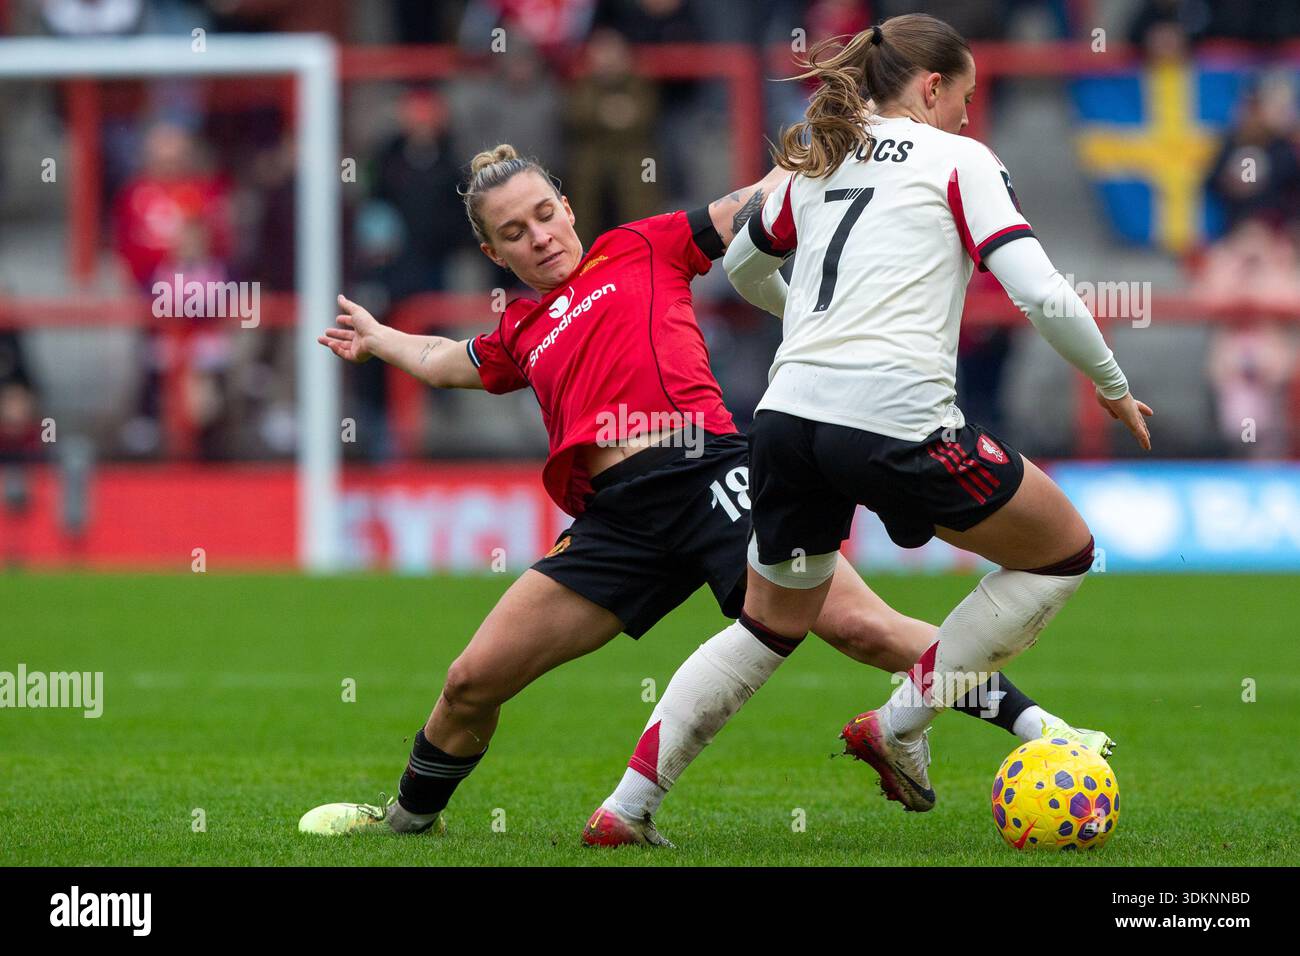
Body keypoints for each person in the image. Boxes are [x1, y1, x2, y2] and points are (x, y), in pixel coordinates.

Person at [301, 141, 1112, 846]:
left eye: (545, 214)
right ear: (492, 252)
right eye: (513, 232)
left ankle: (1054, 735)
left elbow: (752, 203)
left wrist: (835, 139)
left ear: (568, 206)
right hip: (618, 521)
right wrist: (380, 340)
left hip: (713, 474)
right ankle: (407, 822)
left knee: (863, 628)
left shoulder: (639, 246)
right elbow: (450, 359)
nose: (540, 236)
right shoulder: (522, 328)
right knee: (471, 681)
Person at [660, 13, 1155, 817]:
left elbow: (744, 266)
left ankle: (626, 806)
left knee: (765, 630)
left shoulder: (817, 161)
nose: (966, 113)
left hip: (785, 419)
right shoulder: (961, 159)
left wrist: (811, 330)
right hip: (895, 420)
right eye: (963, 96)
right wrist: (1107, 380)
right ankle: (897, 723)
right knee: (1062, 552)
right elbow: (1037, 289)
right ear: (931, 88)